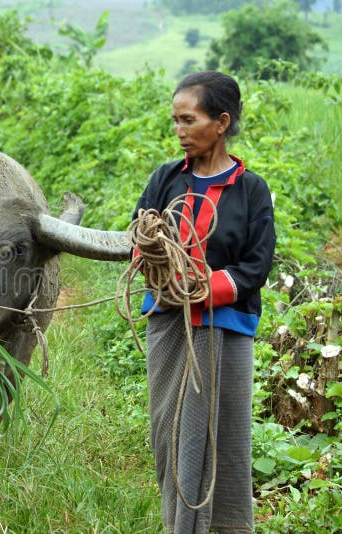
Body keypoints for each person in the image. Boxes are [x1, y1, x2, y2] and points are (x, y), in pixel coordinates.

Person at [132, 71, 276, 533]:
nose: (179, 130)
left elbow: (256, 265)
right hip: (168, 325)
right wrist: (156, 261)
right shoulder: (165, 179)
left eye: (188, 120)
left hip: (227, 330)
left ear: (221, 122)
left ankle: (228, 527)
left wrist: (201, 286)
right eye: (175, 120)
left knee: (225, 438)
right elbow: (140, 234)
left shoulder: (251, 189)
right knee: (170, 435)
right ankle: (180, 526)